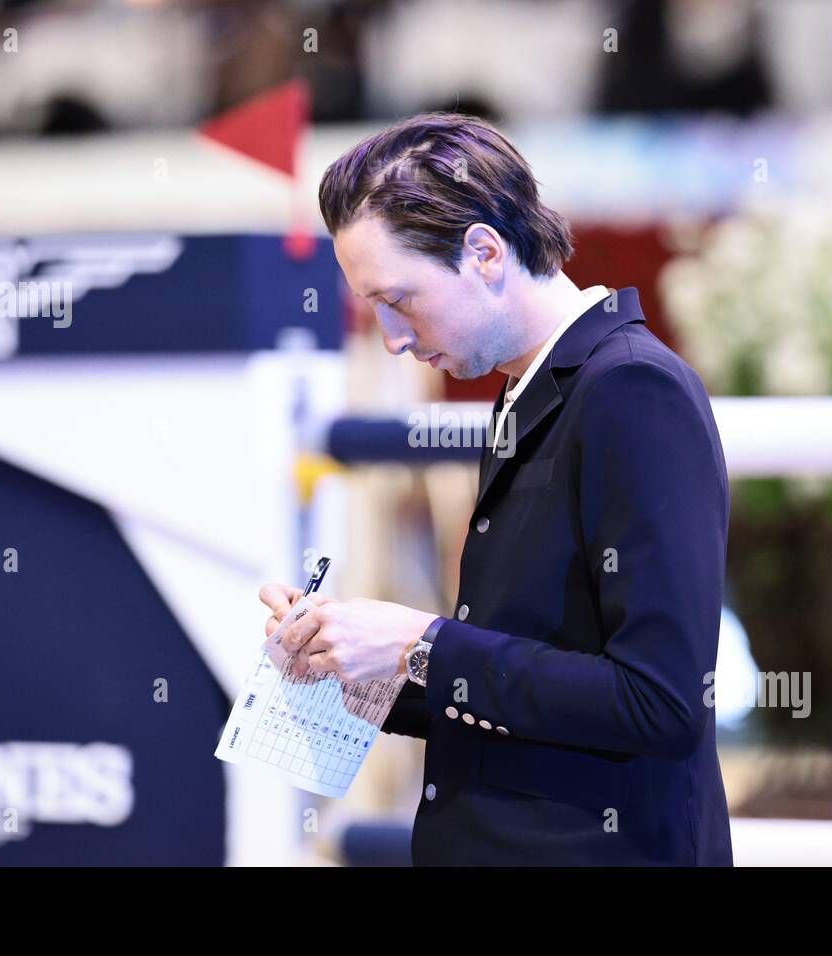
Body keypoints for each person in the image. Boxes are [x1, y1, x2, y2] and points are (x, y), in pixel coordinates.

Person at [260, 111, 732, 865]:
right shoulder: (529, 391)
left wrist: (419, 643)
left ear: (484, 252)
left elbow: (661, 702)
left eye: (398, 299)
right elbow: (528, 678)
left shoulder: (633, 390)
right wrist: (356, 670)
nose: (392, 337)